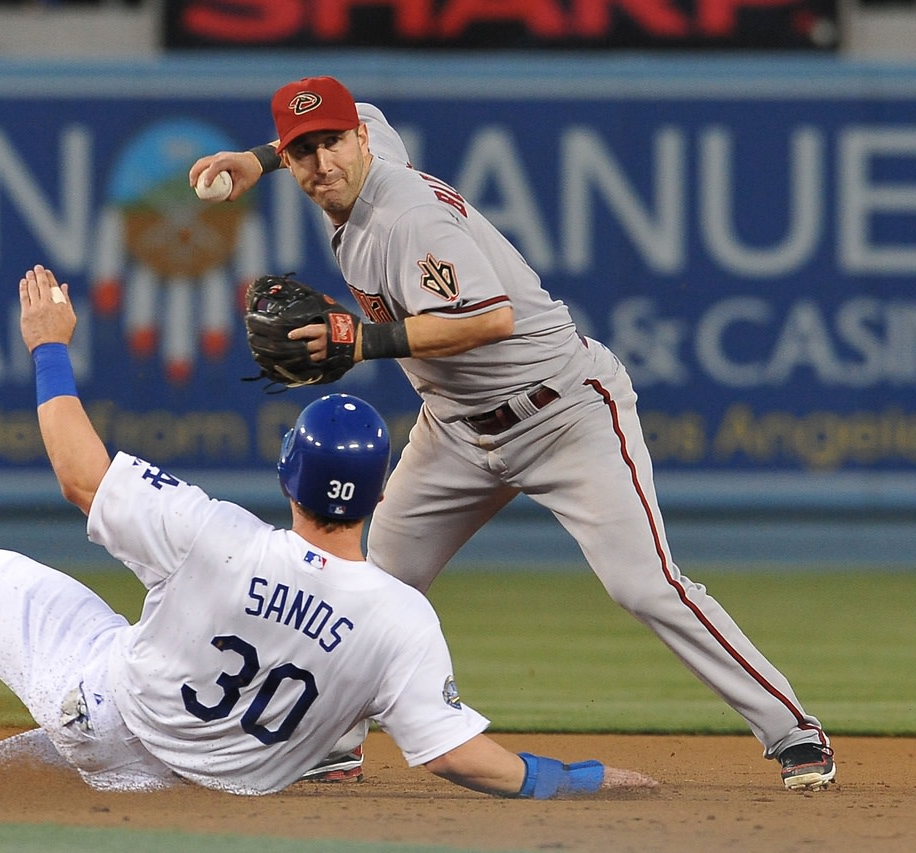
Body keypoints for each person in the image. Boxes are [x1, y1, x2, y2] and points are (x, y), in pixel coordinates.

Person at [0, 264, 657, 802]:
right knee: (290, 721)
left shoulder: (217, 536)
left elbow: (78, 471)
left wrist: (48, 344)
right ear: (377, 494)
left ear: (291, 473)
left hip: (108, 719)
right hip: (198, 792)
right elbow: (460, 755)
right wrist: (576, 777)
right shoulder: (399, 618)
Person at [188, 76, 835, 791]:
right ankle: (334, 742)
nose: (320, 163)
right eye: (301, 151)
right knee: (372, 583)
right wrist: (257, 158)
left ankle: (791, 728)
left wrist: (363, 342)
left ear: (360, 144)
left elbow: (489, 318)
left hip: (562, 414)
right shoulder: (361, 157)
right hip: (456, 433)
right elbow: (362, 108)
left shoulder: (407, 217)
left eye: (331, 143)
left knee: (644, 585)